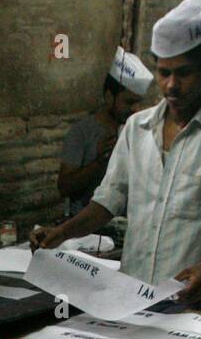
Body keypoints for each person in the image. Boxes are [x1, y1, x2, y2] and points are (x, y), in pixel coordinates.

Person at [30, 0, 201, 303]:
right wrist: (62, 233)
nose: (172, 85)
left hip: (185, 292)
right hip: (129, 293)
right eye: (164, 73)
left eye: (184, 73)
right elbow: (108, 201)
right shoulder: (137, 129)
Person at [57, 47, 152, 217]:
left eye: (138, 103)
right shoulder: (82, 132)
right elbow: (64, 187)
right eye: (129, 102)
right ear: (109, 97)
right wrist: (99, 161)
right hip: (84, 227)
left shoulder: (137, 131)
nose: (135, 109)